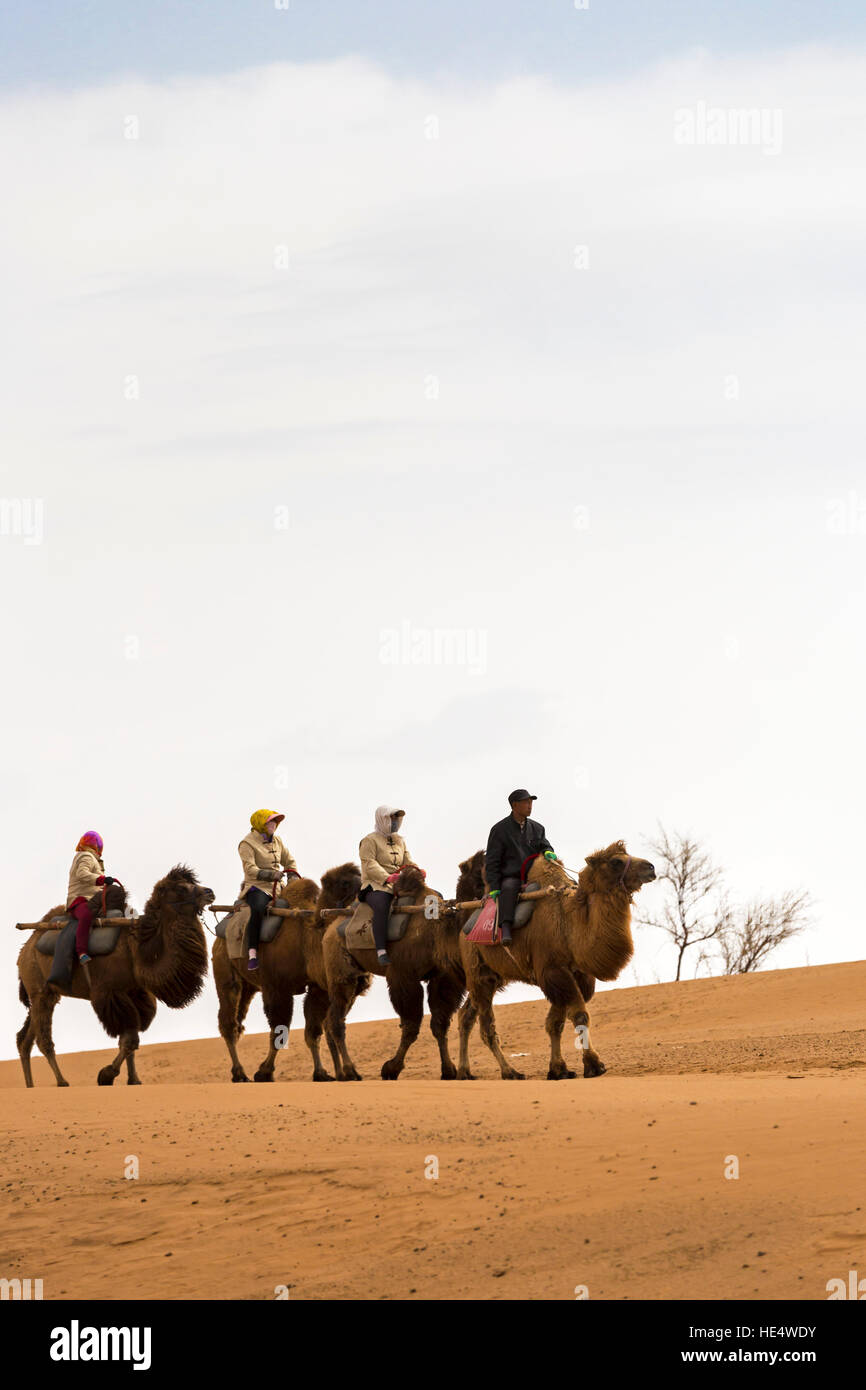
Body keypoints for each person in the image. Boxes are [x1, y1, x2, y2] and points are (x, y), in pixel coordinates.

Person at [485, 789, 558, 944]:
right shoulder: (499, 830)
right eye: (526, 802)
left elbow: (545, 845)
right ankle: (505, 928)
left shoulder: (538, 828)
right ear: (514, 805)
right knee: (509, 886)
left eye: (531, 802)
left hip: (534, 876)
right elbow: (492, 861)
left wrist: (548, 852)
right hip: (511, 876)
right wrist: (494, 886)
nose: (530, 806)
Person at [358, 806, 424, 967]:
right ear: (382, 819)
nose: (395, 822)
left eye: (397, 819)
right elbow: (369, 864)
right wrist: (387, 877)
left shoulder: (400, 840)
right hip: (376, 885)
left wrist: (418, 869)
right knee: (382, 905)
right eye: (391, 818)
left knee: (430, 896)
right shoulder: (369, 840)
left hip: (399, 883)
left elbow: (407, 860)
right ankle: (381, 950)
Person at [238, 809, 300, 971]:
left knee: (302, 904)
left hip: (279, 887)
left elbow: (289, 861)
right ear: (260, 823)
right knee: (257, 909)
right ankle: (252, 953)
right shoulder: (247, 843)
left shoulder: (277, 841)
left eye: (275, 821)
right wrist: (270, 874)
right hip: (257, 887)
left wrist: (292, 878)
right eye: (270, 821)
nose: (274, 824)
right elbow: (250, 869)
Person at [66, 831, 115, 976]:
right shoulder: (86, 856)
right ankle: (81, 952)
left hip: (92, 899)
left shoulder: (94, 859)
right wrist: (101, 880)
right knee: (86, 915)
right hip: (79, 899)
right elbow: (82, 874)